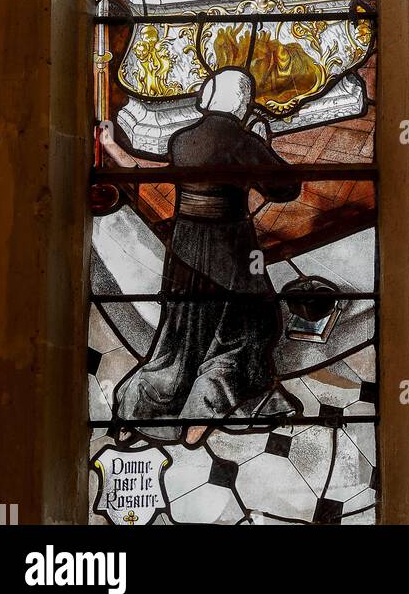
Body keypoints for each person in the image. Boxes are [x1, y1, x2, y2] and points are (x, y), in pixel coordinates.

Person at [101, 68, 301, 443]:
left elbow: (145, 172)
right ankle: (203, 408)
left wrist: (112, 148)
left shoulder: (183, 140)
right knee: (253, 324)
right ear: (243, 105)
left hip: (185, 248)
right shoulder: (243, 142)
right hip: (232, 247)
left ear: (207, 99)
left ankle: (143, 404)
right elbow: (285, 188)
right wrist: (262, 144)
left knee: (182, 333)